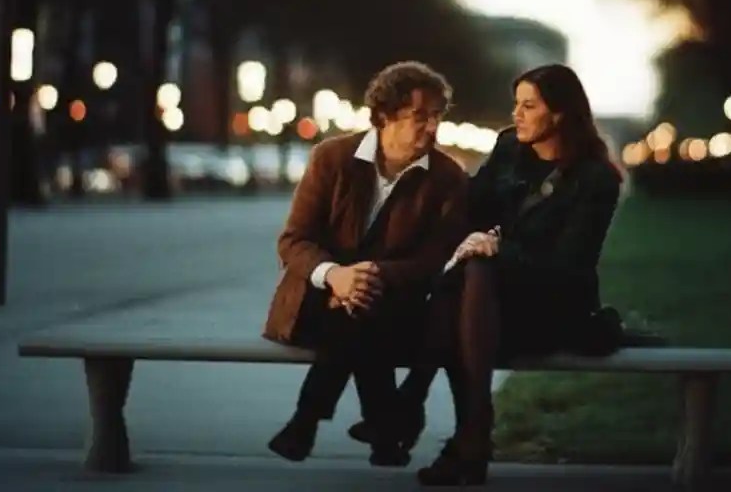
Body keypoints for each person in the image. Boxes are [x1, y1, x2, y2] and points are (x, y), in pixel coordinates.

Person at [351, 63, 625, 486]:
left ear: (560, 114)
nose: (516, 114)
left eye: (528, 106)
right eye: (516, 104)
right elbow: (469, 208)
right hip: (488, 305)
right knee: (468, 282)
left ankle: (430, 412)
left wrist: (498, 249)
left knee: (472, 279)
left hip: (553, 308)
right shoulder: (509, 149)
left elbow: (570, 268)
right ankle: (468, 439)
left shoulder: (596, 179)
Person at [261, 61, 468, 467]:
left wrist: (372, 277)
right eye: (419, 116)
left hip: (393, 305)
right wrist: (335, 276)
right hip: (316, 303)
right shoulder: (332, 158)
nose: (432, 127)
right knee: (354, 312)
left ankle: (307, 421)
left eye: (438, 116)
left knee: (361, 309)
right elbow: (293, 240)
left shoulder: (447, 178)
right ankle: (385, 424)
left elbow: (437, 257)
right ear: (382, 116)